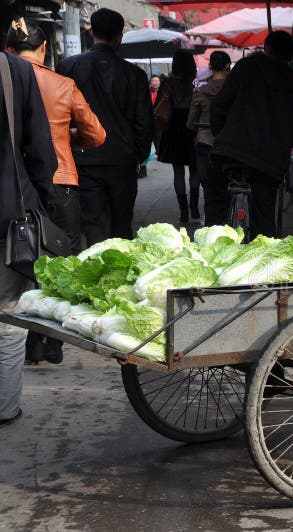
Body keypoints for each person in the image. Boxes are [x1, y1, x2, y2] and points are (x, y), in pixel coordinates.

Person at [7, 19, 107, 366]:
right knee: (63, 262)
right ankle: (53, 343)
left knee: (23, 260)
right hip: (61, 181)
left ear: (8, 50)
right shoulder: (62, 84)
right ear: (45, 48)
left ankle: (27, 346)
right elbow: (96, 135)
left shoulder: (8, 80)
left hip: (16, 184)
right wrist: (67, 141)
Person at [56, 8, 153, 246]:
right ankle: (121, 276)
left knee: (94, 226)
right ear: (119, 37)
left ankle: (97, 277)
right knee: (122, 225)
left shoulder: (67, 68)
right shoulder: (135, 74)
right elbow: (144, 122)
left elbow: (60, 117)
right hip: (122, 159)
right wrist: (138, 156)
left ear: (90, 33)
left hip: (84, 160)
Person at [0, 50, 57, 428]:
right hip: (7, 215)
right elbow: (40, 149)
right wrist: (47, 204)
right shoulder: (14, 70)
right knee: (6, 316)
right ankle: (5, 408)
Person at [211, 30, 293, 239]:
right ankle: (265, 263)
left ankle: (212, 250)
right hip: (270, 163)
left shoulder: (248, 66)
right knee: (265, 220)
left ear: (266, 49)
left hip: (232, 153)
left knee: (215, 210)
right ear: (292, 56)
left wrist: (221, 137)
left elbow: (219, 105)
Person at [156, 49, 200, 223]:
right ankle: (194, 207)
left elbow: (160, 106)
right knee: (195, 168)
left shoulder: (167, 83)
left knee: (178, 170)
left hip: (173, 127)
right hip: (192, 125)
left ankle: (183, 211)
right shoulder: (196, 83)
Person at [187, 51, 230, 227]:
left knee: (209, 189)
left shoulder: (200, 91)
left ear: (210, 66)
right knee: (228, 187)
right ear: (228, 65)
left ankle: (212, 227)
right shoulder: (232, 90)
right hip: (229, 145)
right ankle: (229, 224)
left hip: (205, 143)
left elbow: (190, 123)